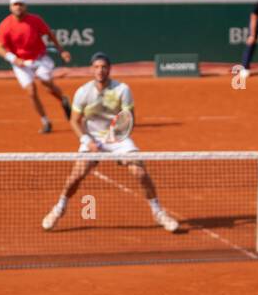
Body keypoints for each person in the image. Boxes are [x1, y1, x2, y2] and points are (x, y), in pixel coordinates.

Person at [41, 54, 179, 233]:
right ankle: (59, 208)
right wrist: (86, 140)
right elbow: (74, 121)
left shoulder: (122, 90)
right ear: (92, 69)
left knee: (140, 172)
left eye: (103, 67)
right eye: (97, 67)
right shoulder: (83, 91)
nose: (100, 70)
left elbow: (128, 119)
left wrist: (117, 139)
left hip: (118, 138)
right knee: (77, 175)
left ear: (109, 69)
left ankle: (158, 212)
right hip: (92, 138)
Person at [0, 0, 73, 135]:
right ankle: (45, 122)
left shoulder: (35, 21)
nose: (18, 7)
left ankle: (63, 99)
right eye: (15, 4)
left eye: (20, 4)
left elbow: (50, 35)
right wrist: (14, 59)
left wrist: (62, 51)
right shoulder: (5, 25)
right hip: (20, 64)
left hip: (40, 59)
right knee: (31, 92)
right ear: (10, 7)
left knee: (45, 81)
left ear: (25, 6)